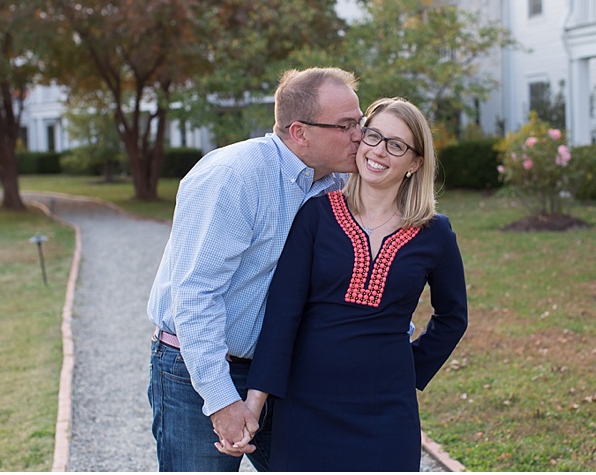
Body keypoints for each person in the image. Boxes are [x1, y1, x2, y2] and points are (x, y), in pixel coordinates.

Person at [146, 67, 365, 472]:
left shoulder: (337, 187)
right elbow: (196, 293)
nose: (360, 135)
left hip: (279, 372)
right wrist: (221, 397)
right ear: (300, 132)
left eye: (361, 120)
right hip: (197, 369)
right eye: (347, 125)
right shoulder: (234, 176)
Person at [241, 97, 469, 471]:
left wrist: (408, 368)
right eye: (373, 135)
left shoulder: (434, 232)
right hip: (306, 403)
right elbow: (283, 314)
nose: (379, 151)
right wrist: (255, 402)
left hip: (386, 409)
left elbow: (452, 317)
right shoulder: (317, 214)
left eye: (396, 145)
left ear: (415, 163)